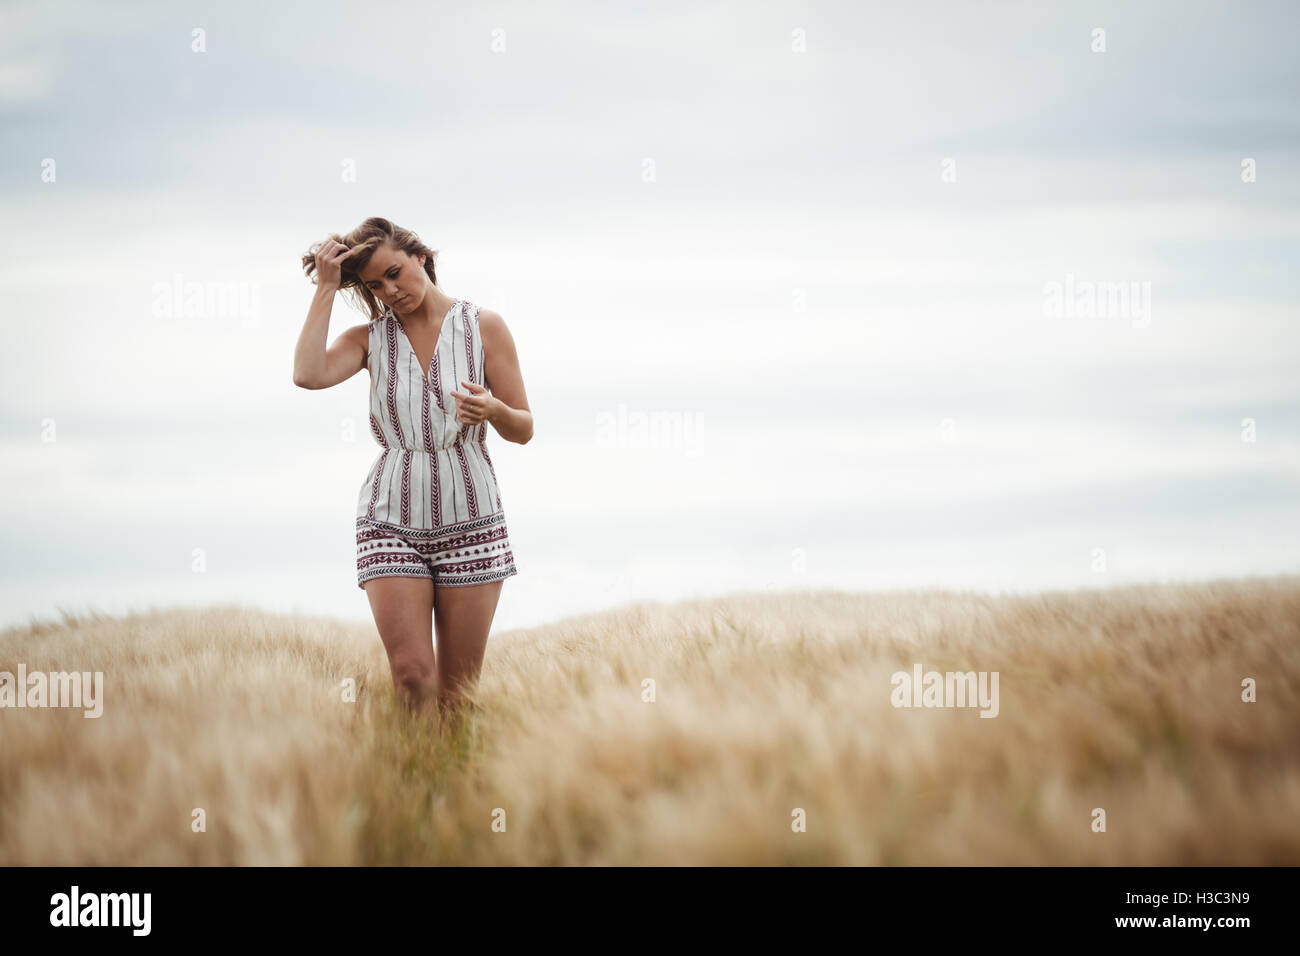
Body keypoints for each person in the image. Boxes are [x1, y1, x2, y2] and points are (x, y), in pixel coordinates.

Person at [294, 217, 532, 731]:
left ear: (421, 257)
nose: (390, 291)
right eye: (375, 285)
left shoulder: (483, 326)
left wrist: (492, 409)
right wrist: (327, 290)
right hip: (389, 516)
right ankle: (408, 785)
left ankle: (448, 802)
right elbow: (307, 374)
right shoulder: (368, 339)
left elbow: (524, 427)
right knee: (410, 679)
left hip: (471, 515)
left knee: (457, 695)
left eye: (396, 273)